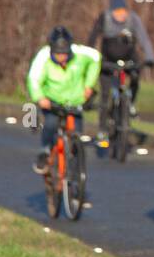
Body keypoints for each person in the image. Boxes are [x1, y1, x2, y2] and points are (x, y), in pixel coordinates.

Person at [28, 26, 100, 175]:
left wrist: (89, 85)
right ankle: (45, 151)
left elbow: (96, 58)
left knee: (77, 135)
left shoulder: (80, 52)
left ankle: (76, 177)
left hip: (75, 102)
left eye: (65, 53)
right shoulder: (43, 57)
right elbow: (33, 78)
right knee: (50, 124)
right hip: (52, 102)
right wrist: (40, 97)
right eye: (59, 54)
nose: (62, 57)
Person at [86, 0, 154, 144]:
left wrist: (150, 58)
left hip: (129, 58)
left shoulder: (133, 19)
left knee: (136, 77)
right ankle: (103, 129)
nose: (121, 15)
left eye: (123, 11)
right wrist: (89, 57)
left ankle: (130, 104)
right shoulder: (104, 19)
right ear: (112, 12)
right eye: (118, 12)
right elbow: (92, 38)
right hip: (108, 60)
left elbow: (144, 39)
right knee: (105, 94)